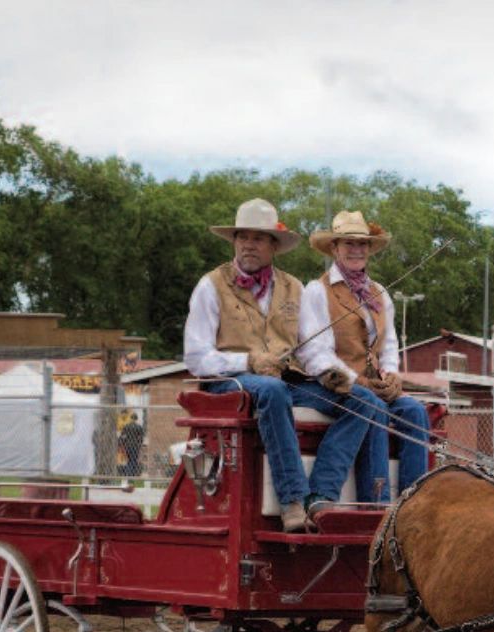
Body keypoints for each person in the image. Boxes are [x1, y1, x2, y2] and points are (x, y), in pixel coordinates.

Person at [183, 198, 385, 531]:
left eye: (258, 238)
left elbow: (310, 349)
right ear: (234, 242)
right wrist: (247, 359)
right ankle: (292, 500)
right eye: (243, 237)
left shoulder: (294, 287)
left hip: (284, 378)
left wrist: (331, 373)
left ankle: (320, 496)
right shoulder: (211, 286)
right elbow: (195, 357)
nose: (249, 245)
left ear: (273, 245)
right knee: (273, 390)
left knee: (364, 402)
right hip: (228, 383)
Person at [299, 211, 429, 501]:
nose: (356, 250)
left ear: (369, 250)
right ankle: (376, 503)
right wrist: (357, 381)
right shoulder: (317, 292)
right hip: (332, 385)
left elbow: (390, 343)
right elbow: (315, 353)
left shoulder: (379, 292)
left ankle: (414, 499)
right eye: (348, 243)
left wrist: (392, 374)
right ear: (334, 248)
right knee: (371, 405)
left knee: (415, 411)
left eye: (362, 244)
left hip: (374, 384)